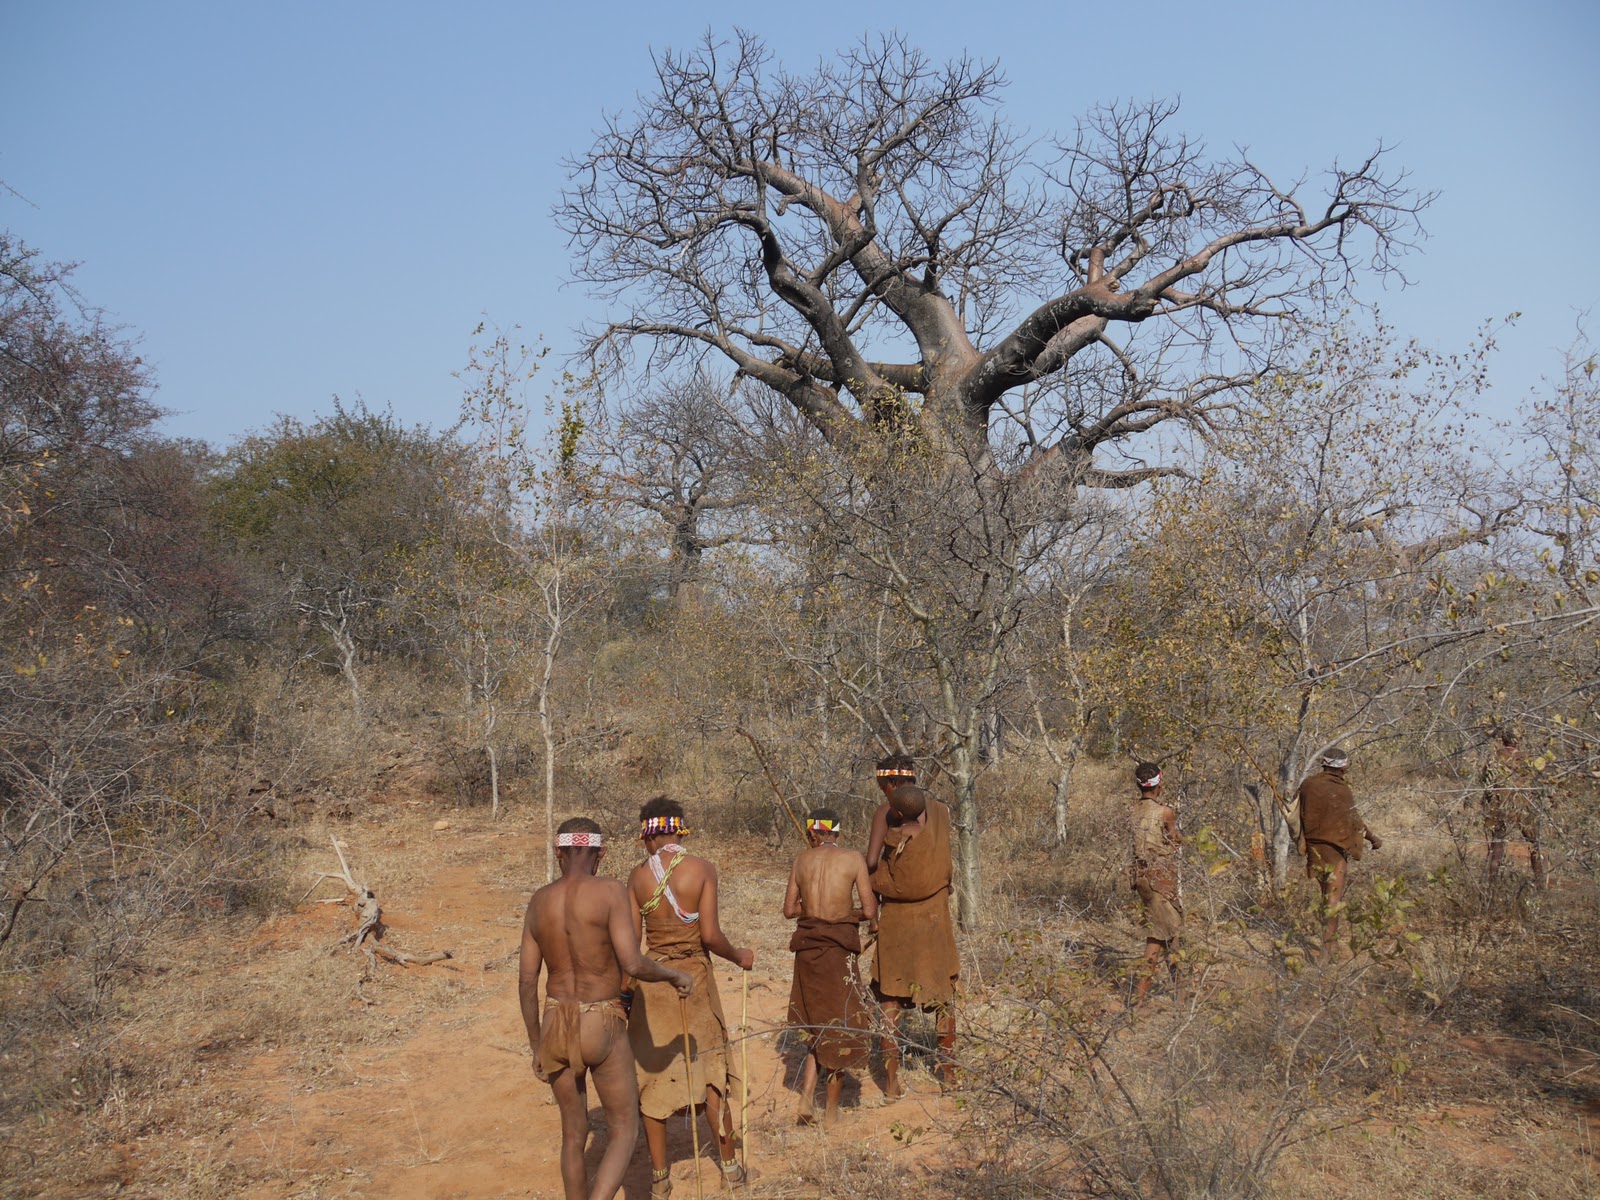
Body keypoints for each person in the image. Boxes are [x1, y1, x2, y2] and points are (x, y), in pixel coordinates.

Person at [519, 817, 693, 1200]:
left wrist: (536, 1044)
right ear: (600, 854)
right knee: (624, 1127)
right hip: (600, 1019)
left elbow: (527, 982)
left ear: (559, 853)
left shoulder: (539, 901)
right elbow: (632, 964)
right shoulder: (610, 892)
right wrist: (672, 975)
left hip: (553, 1019)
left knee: (573, 1134)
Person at [627, 797, 754, 1197]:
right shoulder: (701, 870)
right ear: (678, 830)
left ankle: (660, 1180)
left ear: (649, 834)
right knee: (712, 1070)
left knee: (652, 1079)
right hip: (696, 977)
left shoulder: (636, 878)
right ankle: (730, 1168)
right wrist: (740, 956)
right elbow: (710, 936)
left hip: (654, 981)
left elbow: (631, 948)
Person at [782, 808, 878, 1125]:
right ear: (835, 832)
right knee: (838, 1024)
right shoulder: (853, 859)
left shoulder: (801, 860)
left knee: (815, 1025)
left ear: (813, 833)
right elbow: (867, 909)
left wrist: (814, 908)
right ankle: (832, 1114)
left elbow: (788, 910)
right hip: (838, 950)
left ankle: (808, 1099)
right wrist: (843, 914)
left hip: (807, 950)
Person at [869, 769, 960, 1096]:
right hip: (935, 920)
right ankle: (949, 1074)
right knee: (944, 997)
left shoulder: (887, 819)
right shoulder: (941, 813)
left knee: (889, 999)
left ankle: (891, 1082)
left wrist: (872, 891)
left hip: (897, 922)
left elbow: (870, 865)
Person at [1297, 748, 1383, 965]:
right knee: (1333, 900)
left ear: (1324, 764)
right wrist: (1373, 838)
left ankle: (1332, 947)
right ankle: (1326, 952)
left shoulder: (1308, 784)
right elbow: (1354, 820)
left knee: (1325, 896)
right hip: (1335, 851)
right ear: (1344, 766)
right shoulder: (1342, 791)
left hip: (1314, 850)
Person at [1128, 763, 1182, 1003]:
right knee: (1157, 939)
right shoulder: (1165, 812)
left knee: (1172, 935)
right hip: (1160, 879)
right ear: (1160, 785)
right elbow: (1175, 842)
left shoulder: (1133, 809)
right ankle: (1138, 1000)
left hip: (1141, 878)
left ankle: (1182, 997)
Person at [1481, 728, 1548, 889]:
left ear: (1502, 740)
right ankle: (1540, 885)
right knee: (1534, 843)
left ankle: (1491, 886)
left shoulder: (1494, 757)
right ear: (1517, 741)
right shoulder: (1526, 759)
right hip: (1522, 805)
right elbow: (1533, 782)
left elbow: (1485, 781)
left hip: (1499, 805)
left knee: (1498, 844)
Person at [865, 753, 920, 872]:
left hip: (900, 887)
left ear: (892, 783)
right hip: (937, 886)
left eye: (883, 788)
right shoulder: (939, 810)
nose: (884, 793)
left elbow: (871, 863)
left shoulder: (885, 811)